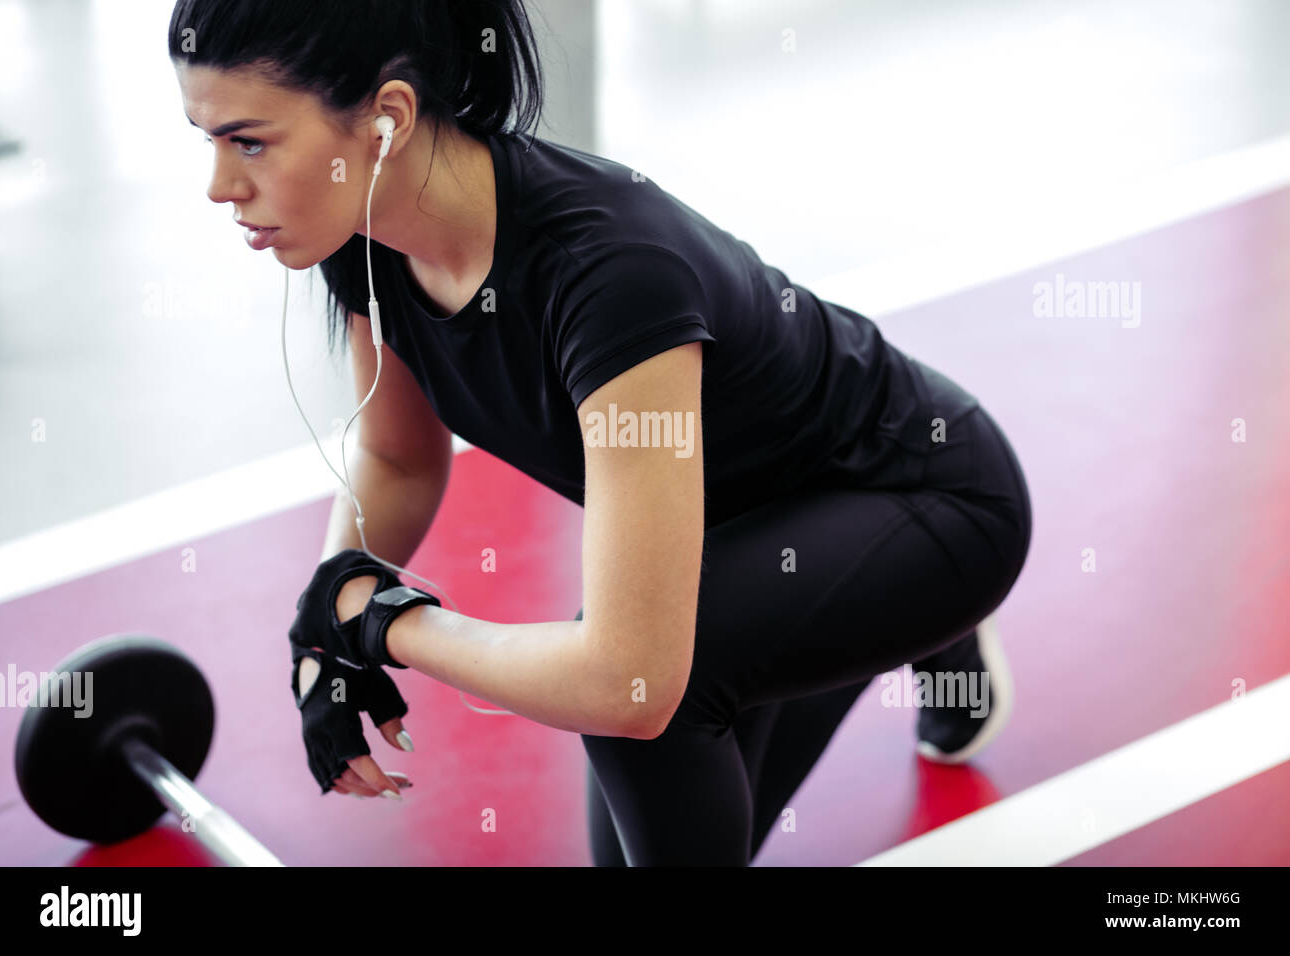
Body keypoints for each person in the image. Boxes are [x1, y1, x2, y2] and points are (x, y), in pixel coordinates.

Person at [169, 0, 1033, 866]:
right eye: (206, 139)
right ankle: (858, 616)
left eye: (249, 142)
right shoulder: (357, 240)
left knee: (635, 701)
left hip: (923, 492)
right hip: (732, 531)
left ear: (387, 119)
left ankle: (923, 611)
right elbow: (396, 459)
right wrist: (322, 630)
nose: (218, 186)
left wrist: (383, 621)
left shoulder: (610, 275)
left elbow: (629, 684)